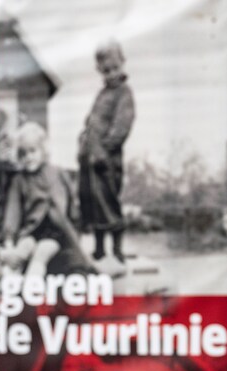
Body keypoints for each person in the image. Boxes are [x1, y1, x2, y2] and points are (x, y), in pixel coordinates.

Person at [0, 122, 92, 277]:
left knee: (42, 252)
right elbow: (13, 211)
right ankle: (12, 277)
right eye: (23, 154)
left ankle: (32, 284)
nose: (28, 157)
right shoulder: (19, 179)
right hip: (30, 230)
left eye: (32, 151)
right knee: (23, 248)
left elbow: (70, 206)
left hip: (55, 231)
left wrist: (75, 229)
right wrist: (9, 241)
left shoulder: (56, 173)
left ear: (43, 151)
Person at [78, 39, 135, 263]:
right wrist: (84, 142)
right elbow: (91, 122)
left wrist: (105, 149)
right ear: (100, 71)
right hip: (90, 158)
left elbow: (122, 124)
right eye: (106, 70)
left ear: (122, 63)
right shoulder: (102, 94)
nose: (111, 74)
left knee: (108, 200)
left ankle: (118, 251)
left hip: (107, 160)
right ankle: (99, 249)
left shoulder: (124, 93)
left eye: (115, 68)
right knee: (92, 201)